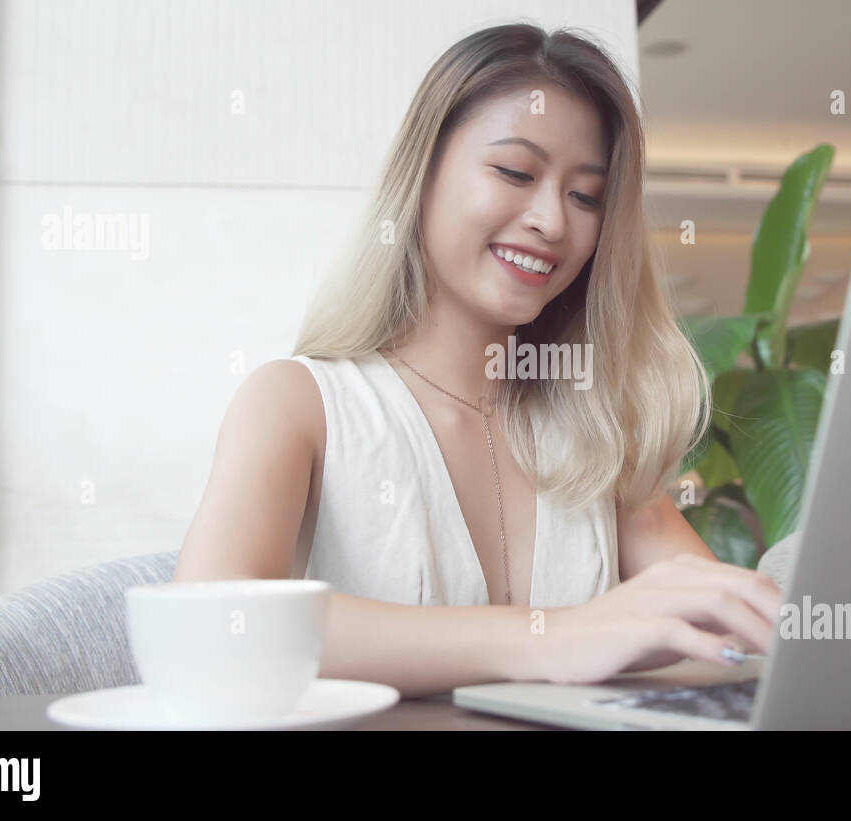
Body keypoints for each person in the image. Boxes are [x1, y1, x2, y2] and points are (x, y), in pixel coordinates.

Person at [174, 22, 784, 699]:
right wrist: (555, 636)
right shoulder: (298, 403)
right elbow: (213, 626)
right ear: (424, 174)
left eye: (586, 196)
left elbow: (724, 633)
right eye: (515, 172)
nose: (552, 220)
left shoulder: (596, 433)